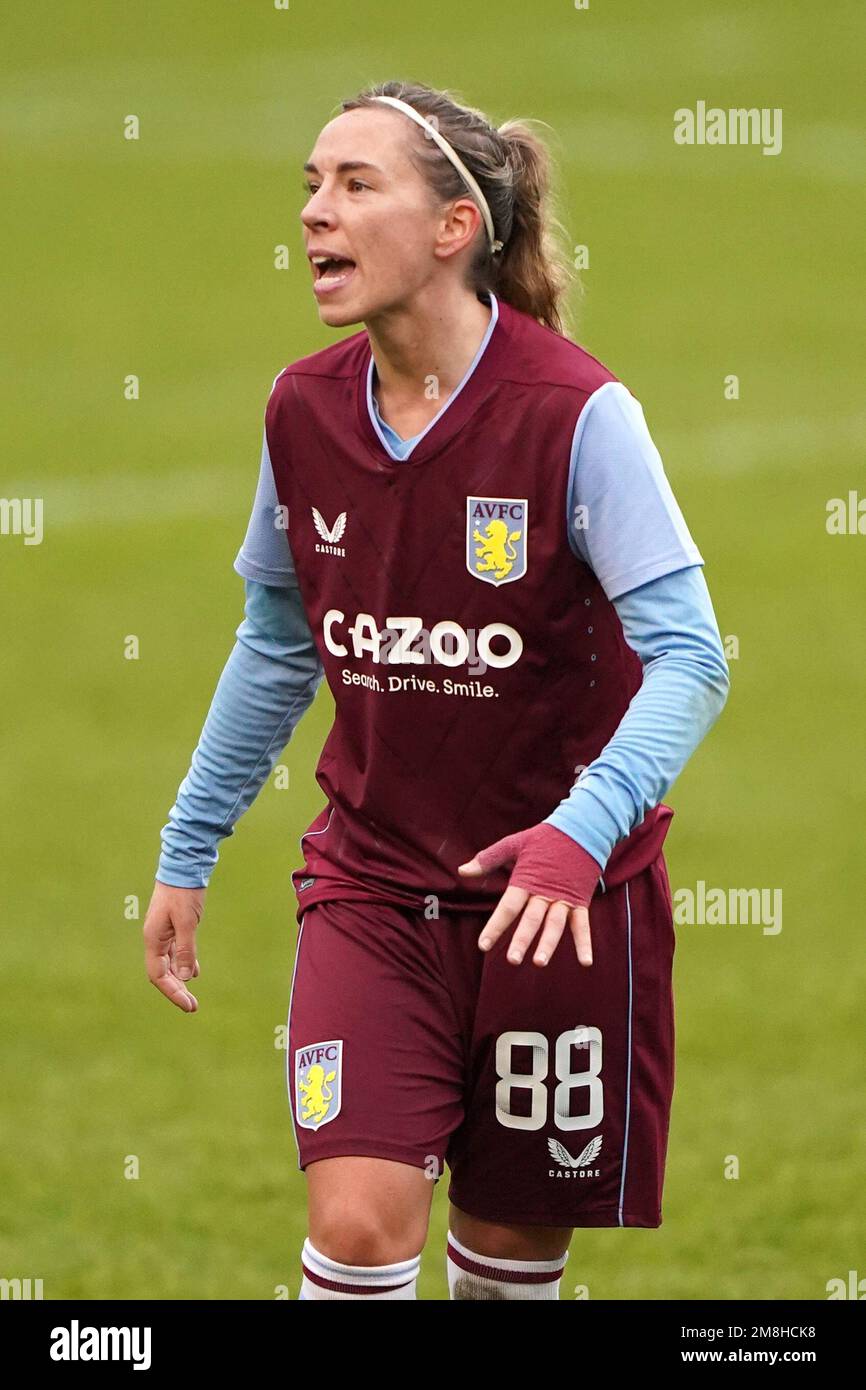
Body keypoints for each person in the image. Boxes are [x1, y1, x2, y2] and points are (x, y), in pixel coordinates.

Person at [143, 79, 730, 1301]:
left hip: (562, 912)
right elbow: (276, 639)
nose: (315, 212)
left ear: (453, 226)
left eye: (355, 185)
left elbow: (690, 657)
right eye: (310, 184)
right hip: (370, 892)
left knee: (508, 1263)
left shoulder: (577, 414)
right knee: (357, 1230)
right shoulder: (299, 409)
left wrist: (577, 836)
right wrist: (188, 845)